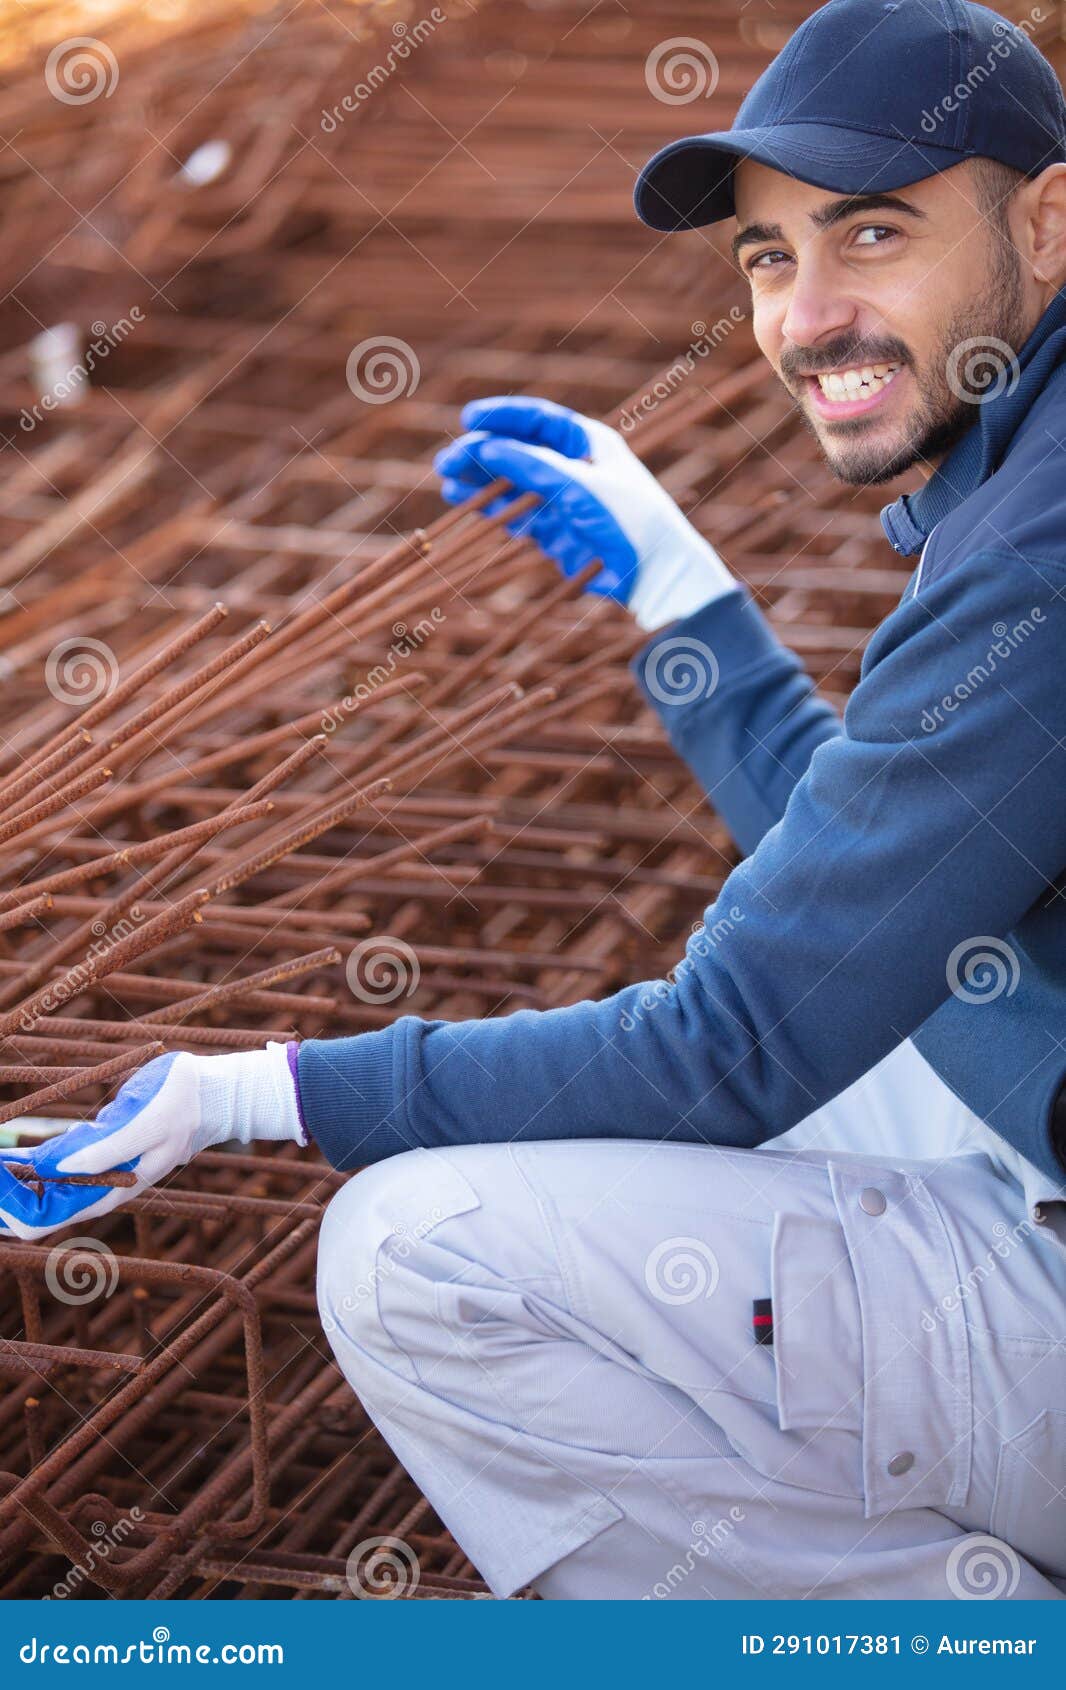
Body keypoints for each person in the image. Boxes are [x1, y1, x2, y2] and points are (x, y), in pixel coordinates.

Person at [3, 0, 1066, 1601]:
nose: (806, 315)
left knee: (417, 1254)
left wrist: (257, 1092)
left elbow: (732, 1043)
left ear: (1043, 223)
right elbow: (883, 893)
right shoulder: (1019, 471)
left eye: (871, 235)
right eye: (767, 258)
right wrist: (688, 608)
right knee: (820, 1031)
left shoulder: (1033, 556)